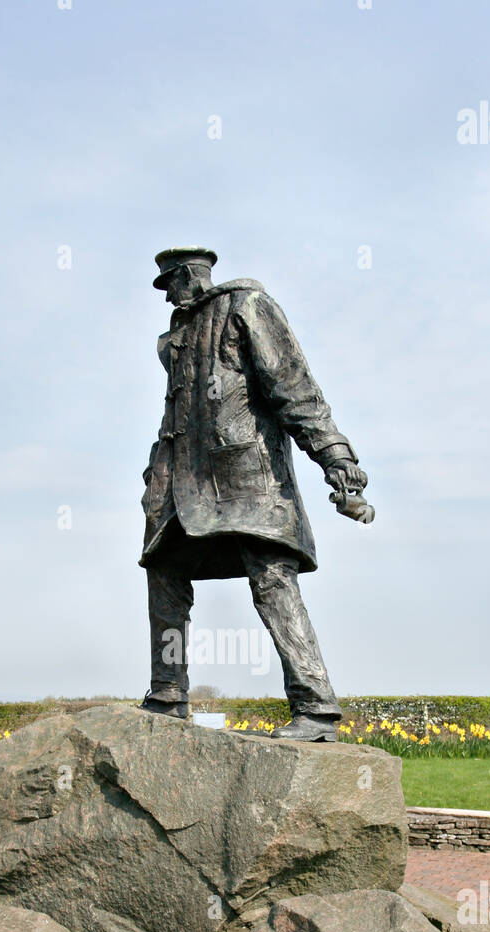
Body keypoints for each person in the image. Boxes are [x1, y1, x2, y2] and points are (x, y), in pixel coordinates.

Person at [139, 246, 368, 741]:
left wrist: (336, 457)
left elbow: (295, 388)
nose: (168, 297)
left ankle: (317, 708)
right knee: (165, 569)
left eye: (170, 285)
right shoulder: (177, 337)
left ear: (187, 276)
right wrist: (152, 473)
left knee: (272, 578)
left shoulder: (246, 307)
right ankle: (167, 693)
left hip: (249, 480)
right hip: (184, 486)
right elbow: (177, 417)